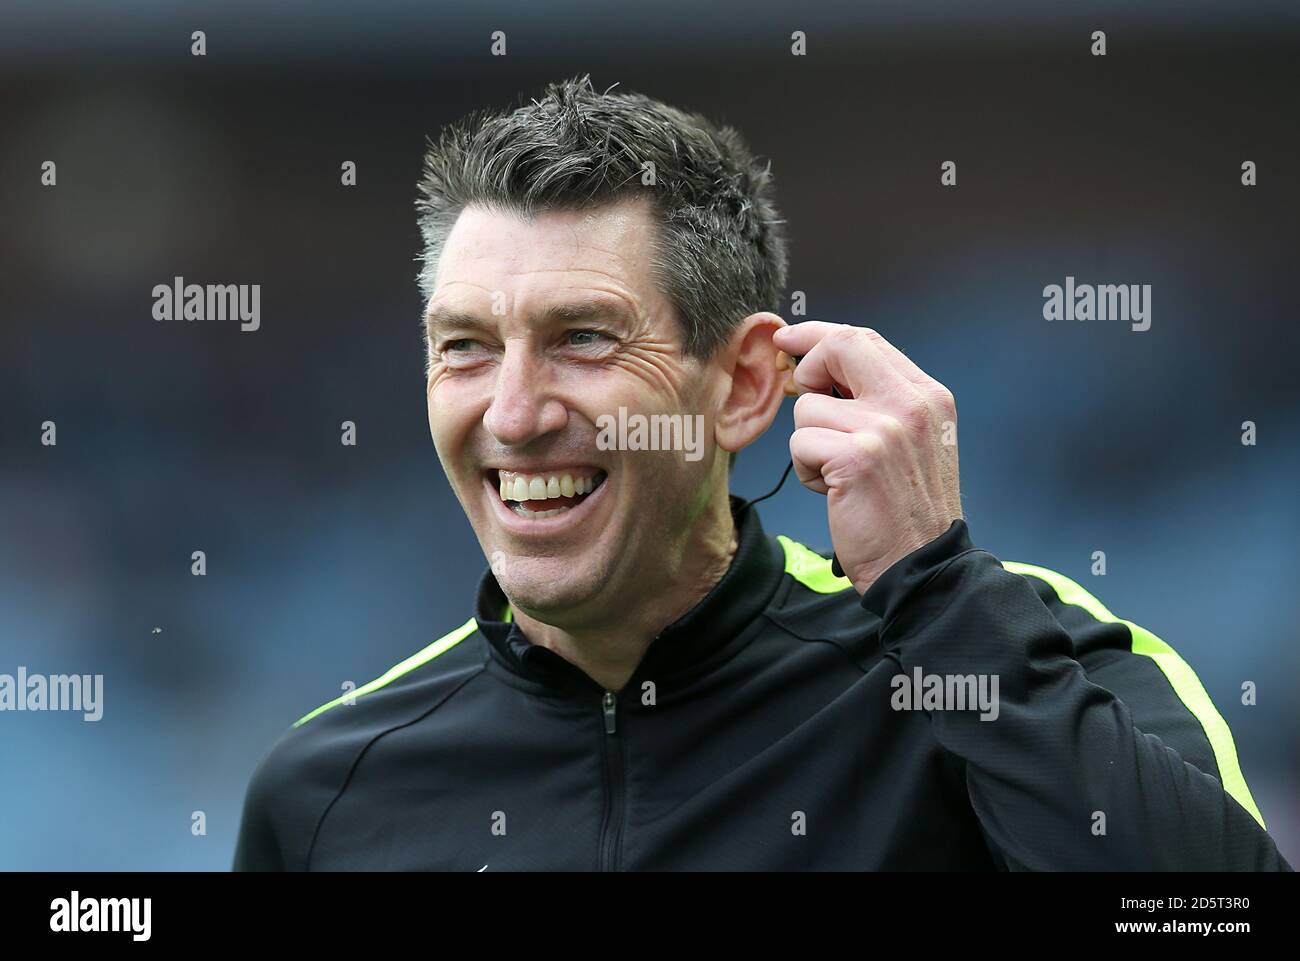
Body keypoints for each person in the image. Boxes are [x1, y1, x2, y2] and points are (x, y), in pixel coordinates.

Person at [233, 75, 1290, 871]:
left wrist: (936, 589)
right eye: (463, 345)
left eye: (585, 339)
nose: (512, 413)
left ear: (743, 385)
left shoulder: (1014, 662)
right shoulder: (326, 789)